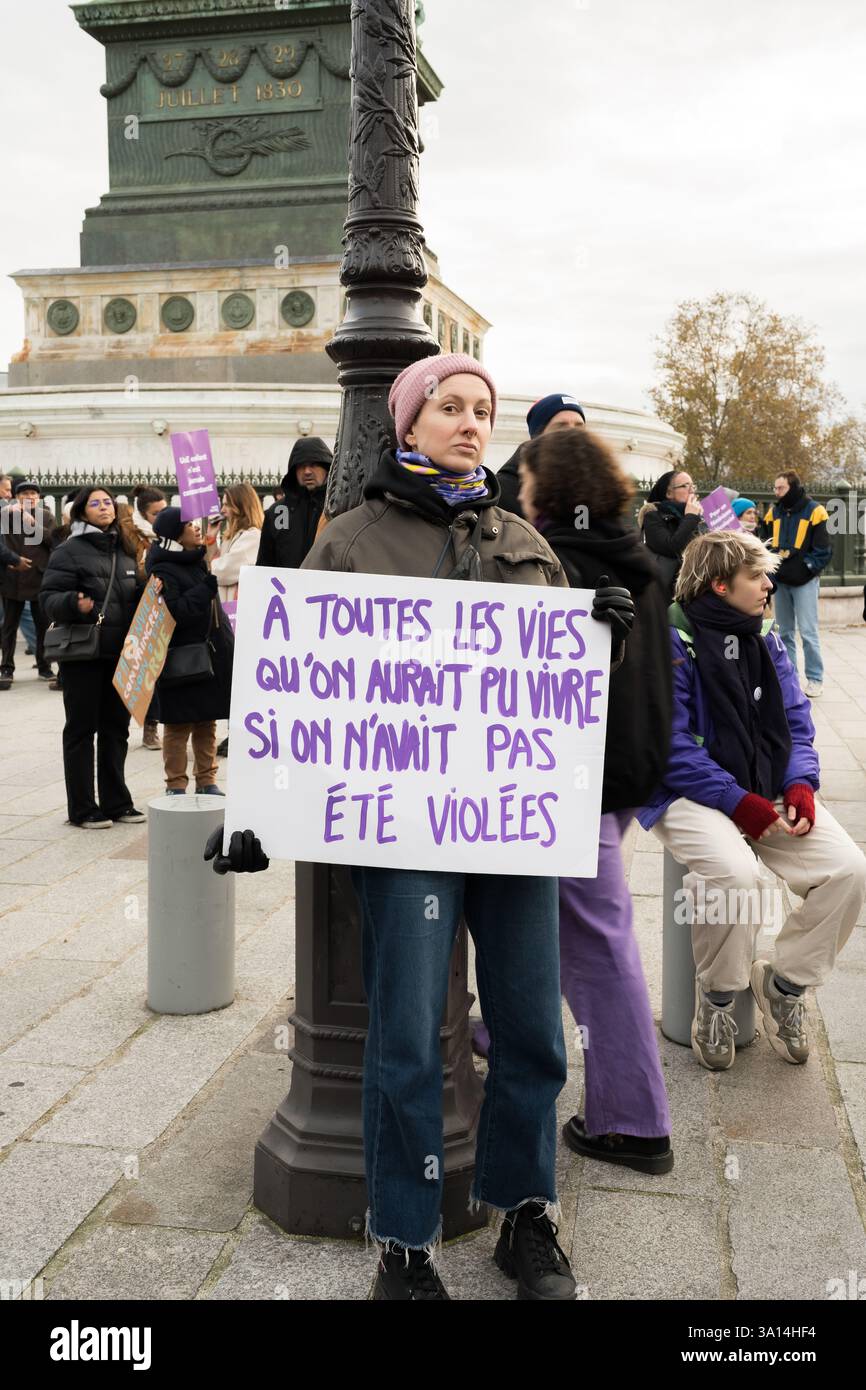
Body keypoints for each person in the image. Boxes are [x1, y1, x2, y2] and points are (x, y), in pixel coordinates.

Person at [205, 354, 631, 1301]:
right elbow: (298, 682)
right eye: (449, 407)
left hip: (511, 829)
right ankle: (404, 1241)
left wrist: (607, 633)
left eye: (482, 409)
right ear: (407, 424)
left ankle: (525, 1215)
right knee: (404, 1036)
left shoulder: (524, 541)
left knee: (531, 1032)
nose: (470, 422)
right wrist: (253, 804)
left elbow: (555, 691)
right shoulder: (348, 540)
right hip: (405, 840)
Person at [638, 531, 866, 1071]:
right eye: (757, 577)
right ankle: (716, 1001)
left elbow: (795, 723)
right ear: (720, 584)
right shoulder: (669, 638)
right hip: (684, 790)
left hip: (761, 784)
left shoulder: (766, 635)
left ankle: (784, 984)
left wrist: (800, 786)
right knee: (736, 876)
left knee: (849, 870)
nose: (769, 585)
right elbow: (667, 748)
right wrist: (740, 804)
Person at [514, 426, 674, 1174]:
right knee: (573, 927)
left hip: (571, 782)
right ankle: (502, 1031)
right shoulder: (636, 560)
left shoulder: (559, 564)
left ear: (548, 492)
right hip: (613, 777)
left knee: (601, 943)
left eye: (524, 484)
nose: (517, 496)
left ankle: (631, 1120)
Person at [40, 486, 145, 828]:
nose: (104, 507)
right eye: (95, 503)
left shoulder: (126, 552)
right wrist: (74, 604)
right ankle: (83, 808)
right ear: (82, 512)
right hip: (84, 655)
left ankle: (117, 802)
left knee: (116, 729)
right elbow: (49, 599)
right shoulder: (68, 552)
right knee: (81, 730)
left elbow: (131, 600)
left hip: (120, 654)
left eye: (107, 502)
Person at [145, 507, 233, 797]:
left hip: (208, 656)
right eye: (189, 525)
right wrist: (206, 588)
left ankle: (207, 780)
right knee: (178, 726)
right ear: (175, 533)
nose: (196, 527)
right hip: (179, 658)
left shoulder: (195, 561)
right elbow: (177, 611)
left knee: (207, 723)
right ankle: (176, 785)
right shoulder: (163, 569)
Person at [761, 471, 831, 699]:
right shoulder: (774, 512)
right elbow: (766, 545)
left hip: (805, 583)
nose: (776, 492)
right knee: (785, 634)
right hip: (781, 582)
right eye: (775, 488)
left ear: (792, 487)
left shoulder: (816, 511)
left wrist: (806, 570)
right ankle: (789, 678)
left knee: (809, 633)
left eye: (780, 488)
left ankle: (815, 679)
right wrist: (774, 572)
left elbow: (823, 550)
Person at [0, 480, 56, 688]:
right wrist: (12, 560)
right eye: (24, 494)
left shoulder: (47, 517)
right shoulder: (6, 516)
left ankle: (44, 666)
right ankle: (6, 668)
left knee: (42, 625)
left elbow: (54, 542)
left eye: (33, 493)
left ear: (39, 498)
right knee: (9, 627)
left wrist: (32, 522)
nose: (29, 497)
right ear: (16, 497)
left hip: (39, 579)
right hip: (11, 579)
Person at [495, 392, 586, 517]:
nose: (573, 435)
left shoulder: (594, 485)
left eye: (579, 428)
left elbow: (585, 528)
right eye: (560, 428)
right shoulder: (502, 491)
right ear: (537, 438)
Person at [128, 485, 168, 750]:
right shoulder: (133, 536)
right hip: (142, 608)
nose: (161, 518)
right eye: (156, 514)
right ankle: (150, 727)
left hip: (167, 607)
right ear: (143, 514)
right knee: (148, 671)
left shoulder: (170, 532)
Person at [255, 437, 333, 569]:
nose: (307, 471)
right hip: (284, 588)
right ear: (294, 470)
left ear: (326, 468)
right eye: (301, 465)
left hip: (328, 588)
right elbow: (264, 565)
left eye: (313, 464)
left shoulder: (337, 509)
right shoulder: (277, 513)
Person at [638, 469, 706, 601]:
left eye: (693, 485)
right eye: (685, 486)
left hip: (696, 592)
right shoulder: (653, 516)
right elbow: (672, 547)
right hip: (666, 595)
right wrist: (690, 517)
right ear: (669, 493)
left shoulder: (698, 518)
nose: (691, 490)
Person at [208, 482, 264, 603]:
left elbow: (222, 571)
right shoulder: (232, 537)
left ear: (241, 507)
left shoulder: (252, 536)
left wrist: (202, 569)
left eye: (227, 505)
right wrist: (211, 538)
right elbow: (216, 562)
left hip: (237, 609)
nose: (222, 510)